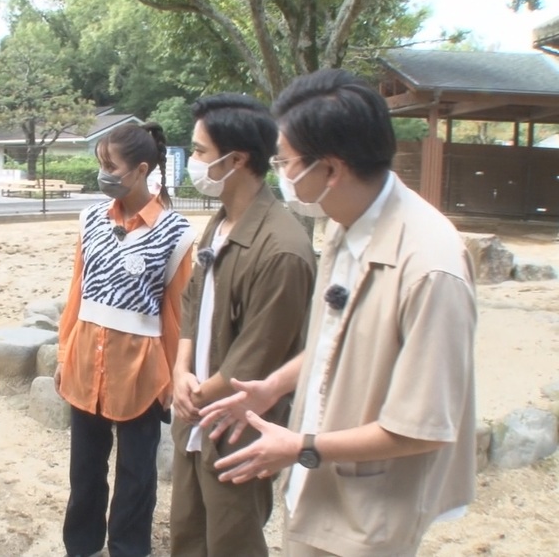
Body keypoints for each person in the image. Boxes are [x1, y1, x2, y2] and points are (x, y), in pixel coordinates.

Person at [199, 69, 477, 557]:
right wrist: (273, 386)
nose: (280, 174)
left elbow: (419, 428)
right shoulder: (345, 226)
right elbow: (336, 340)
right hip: (316, 490)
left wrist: (301, 447)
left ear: (330, 169)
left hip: (368, 514)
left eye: (286, 162)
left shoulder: (431, 268)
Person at [168, 94, 316, 556]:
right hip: (197, 416)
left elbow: (259, 355)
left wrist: (197, 394)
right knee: (188, 535)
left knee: (233, 542)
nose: (191, 161)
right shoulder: (219, 224)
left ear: (236, 160)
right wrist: (179, 370)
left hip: (237, 430)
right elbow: (192, 300)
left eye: (198, 152)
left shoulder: (284, 248)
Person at [54, 122, 197, 557]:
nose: (103, 173)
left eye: (109, 166)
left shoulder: (177, 233)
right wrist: (64, 352)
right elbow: (77, 292)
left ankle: (129, 549)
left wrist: (174, 375)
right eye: (101, 164)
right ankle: (81, 547)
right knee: (85, 470)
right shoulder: (90, 218)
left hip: (141, 372)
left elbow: (177, 313)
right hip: (84, 361)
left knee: (137, 475)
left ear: (139, 169)